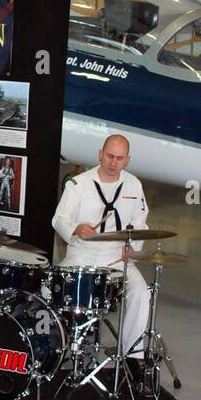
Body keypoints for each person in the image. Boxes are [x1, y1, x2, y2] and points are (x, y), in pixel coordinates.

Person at [51, 134, 151, 371]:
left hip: (116, 257)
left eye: (119, 158)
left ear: (128, 159)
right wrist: (76, 228)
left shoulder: (134, 185)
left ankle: (133, 355)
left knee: (140, 292)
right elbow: (59, 218)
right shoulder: (78, 184)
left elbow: (141, 223)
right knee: (52, 287)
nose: (113, 163)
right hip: (82, 253)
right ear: (100, 154)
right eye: (109, 156)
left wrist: (132, 247)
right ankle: (58, 347)